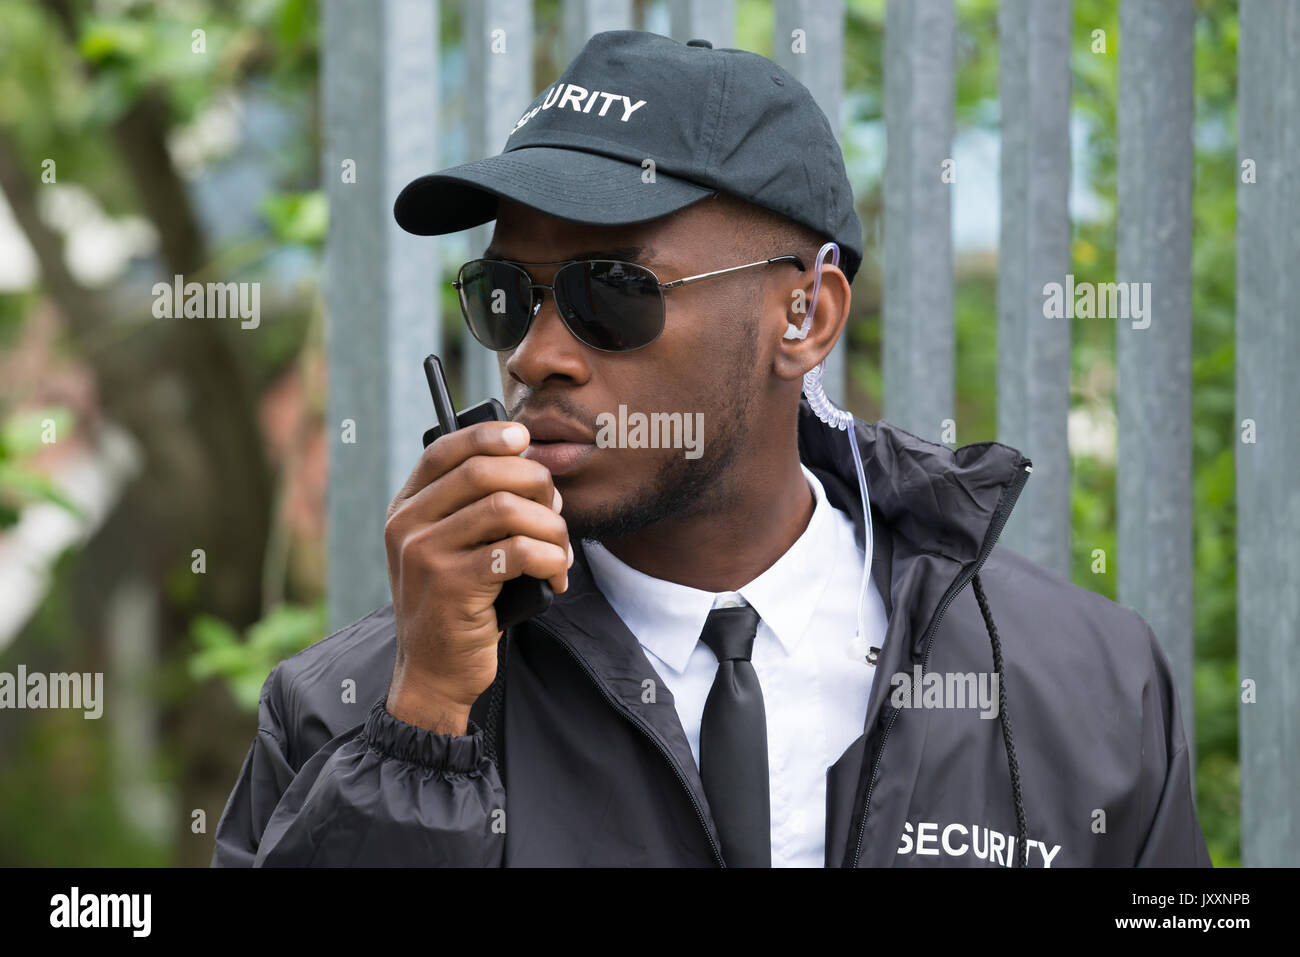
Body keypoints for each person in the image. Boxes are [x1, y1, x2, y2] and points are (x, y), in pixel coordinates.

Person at [212, 30, 1212, 867]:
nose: (538, 354)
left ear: (804, 317)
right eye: (508, 297)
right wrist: (423, 729)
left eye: (612, 291)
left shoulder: (1081, 681)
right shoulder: (351, 709)